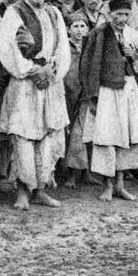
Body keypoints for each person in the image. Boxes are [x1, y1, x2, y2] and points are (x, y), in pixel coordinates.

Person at [0, 0, 71, 210]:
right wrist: (30, 70)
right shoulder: (15, 12)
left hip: (49, 82)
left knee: (48, 136)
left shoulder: (54, 13)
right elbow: (6, 48)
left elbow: (63, 48)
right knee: (24, 136)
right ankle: (22, 191)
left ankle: (41, 189)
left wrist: (52, 70)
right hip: (25, 84)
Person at [80, 0, 138, 202]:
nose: (122, 19)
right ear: (110, 14)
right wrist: (92, 96)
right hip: (107, 92)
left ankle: (120, 184)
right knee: (107, 138)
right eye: (118, 14)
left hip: (128, 90)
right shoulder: (98, 33)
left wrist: (135, 56)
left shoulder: (134, 35)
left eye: (126, 14)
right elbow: (87, 66)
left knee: (125, 137)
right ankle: (107, 185)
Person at [61, 12, 92, 190]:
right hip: (68, 93)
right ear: (68, 29)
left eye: (83, 26)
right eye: (75, 26)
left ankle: (84, 171)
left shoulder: (89, 47)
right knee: (70, 132)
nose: (79, 31)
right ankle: (69, 173)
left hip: (84, 94)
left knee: (82, 134)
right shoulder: (66, 48)